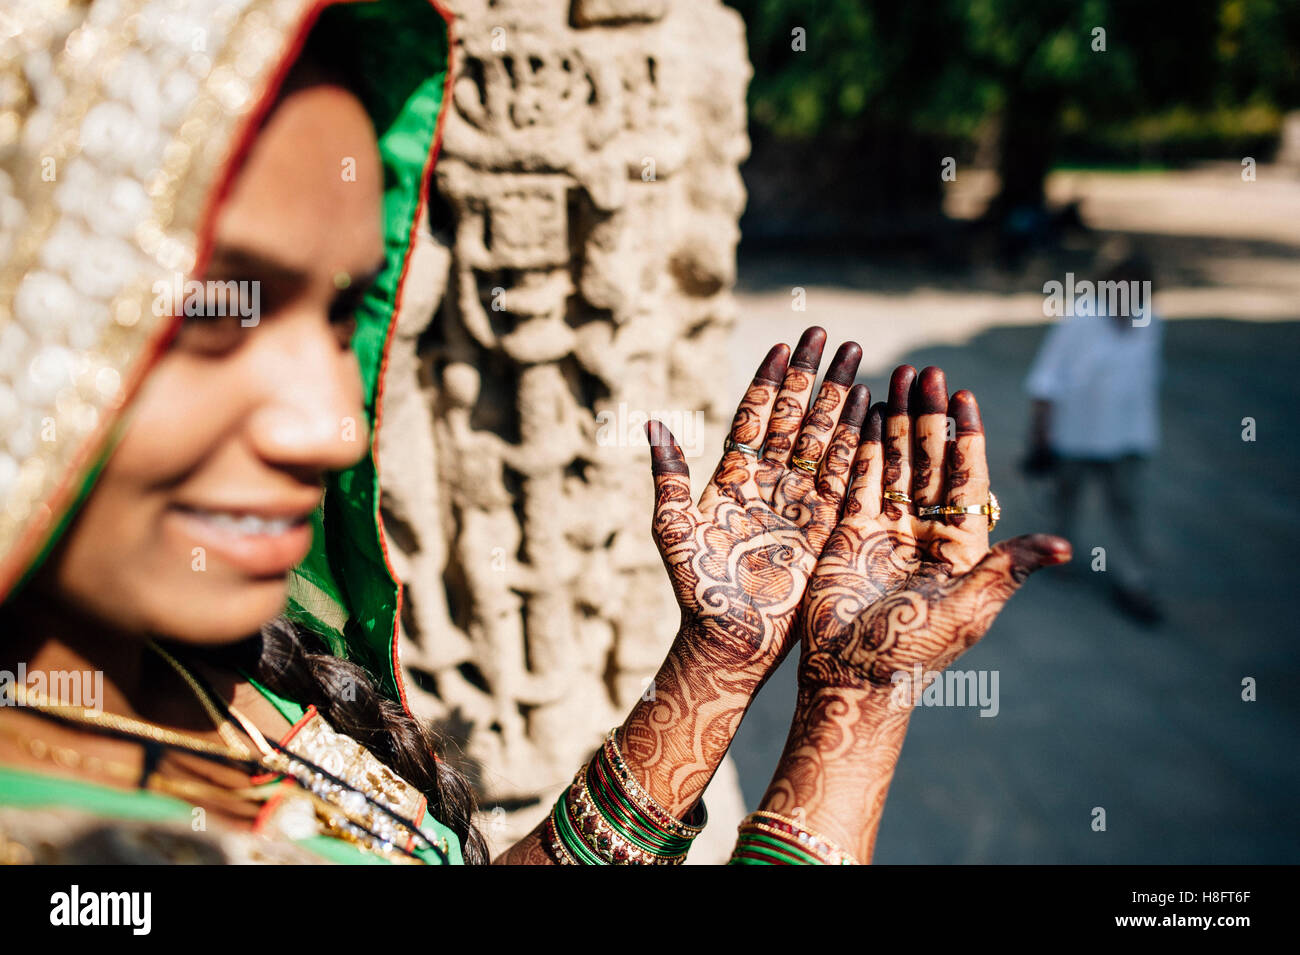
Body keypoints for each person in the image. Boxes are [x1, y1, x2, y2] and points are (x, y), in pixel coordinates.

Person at [0, 0, 1068, 865]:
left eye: (339, 313)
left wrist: (780, 675)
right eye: (215, 312)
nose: (330, 431)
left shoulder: (191, 680)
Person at [1024, 253, 1164, 625]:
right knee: (1066, 497)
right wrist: (1041, 433)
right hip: (1076, 433)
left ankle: (1133, 580)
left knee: (1126, 506)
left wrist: (1144, 435)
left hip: (1126, 438)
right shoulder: (1081, 318)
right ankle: (1056, 555)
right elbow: (1047, 378)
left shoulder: (1151, 321)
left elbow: (1146, 381)